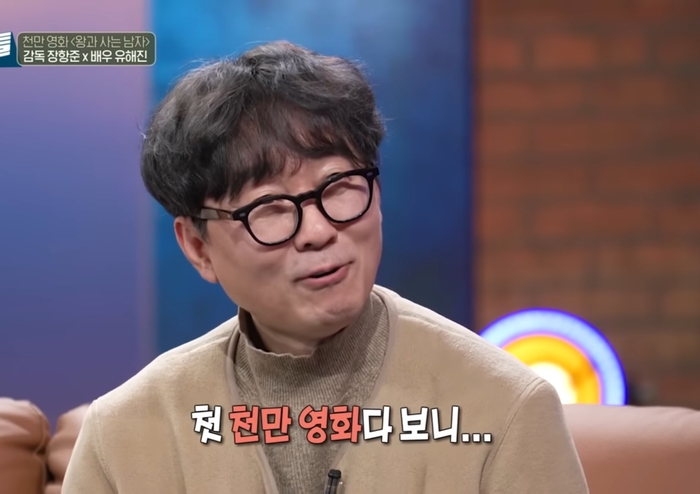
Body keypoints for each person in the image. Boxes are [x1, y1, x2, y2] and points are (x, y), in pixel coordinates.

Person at [63, 41, 588, 493]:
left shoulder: (504, 409)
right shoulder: (123, 437)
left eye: (338, 187)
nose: (317, 230)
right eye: (269, 207)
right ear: (198, 247)